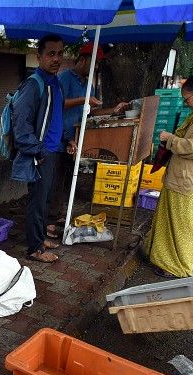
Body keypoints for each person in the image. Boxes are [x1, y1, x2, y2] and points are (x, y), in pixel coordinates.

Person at [140, 74, 193, 278]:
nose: (186, 104)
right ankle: (160, 259)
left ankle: (175, 267)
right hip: (183, 178)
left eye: (187, 99)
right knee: (169, 222)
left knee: (184, 229)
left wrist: (169, 139)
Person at [48, 45, 130, 240]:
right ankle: (48, 221)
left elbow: (90, 111)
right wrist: (84, 99)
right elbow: (57, 103)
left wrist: (113, 110)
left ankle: (58, 215)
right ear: (84, 60)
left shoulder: (89, 84)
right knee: (55, 181)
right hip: (59, 138)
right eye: (95, 64)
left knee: (68, 181)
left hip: (75, 139)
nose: (96, 68)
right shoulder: (65, 77)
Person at [10, 34, 65, 263]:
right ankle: (34, 248)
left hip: (53, 150)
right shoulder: (35, 84)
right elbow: (20, 125)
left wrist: (67, 140)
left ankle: (40, 237)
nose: (56, 58)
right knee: (37, 200)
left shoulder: (55, 82)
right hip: (40, 154)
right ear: (39, 56)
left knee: (45, 199)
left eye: (60, 53)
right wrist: (38, 151)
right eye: (51, 54)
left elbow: (56, 117)